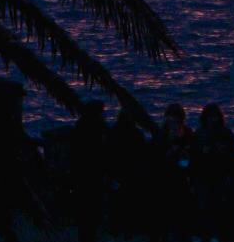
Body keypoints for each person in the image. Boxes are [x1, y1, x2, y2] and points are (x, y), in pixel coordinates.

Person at [190, 103, 234, 242]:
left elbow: (231, 155)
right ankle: (203, 233)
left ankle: (213, 234)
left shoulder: (224, 133)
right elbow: (194, 155)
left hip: (219, 173)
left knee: (216, 205)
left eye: (215, 117)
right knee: (203, 205)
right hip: (203, 174)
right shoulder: (200, 134)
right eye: (210, 117)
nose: (213, 119)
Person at [106, 103, 150, 239]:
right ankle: (128, 232)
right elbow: (142, 155)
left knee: (117, 205)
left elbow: (108, 155)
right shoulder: (137, 134)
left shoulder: (112, 132)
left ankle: (116, 230)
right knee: (130, 205)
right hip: (131, 175)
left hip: (118, 175)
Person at [152, 103, 194, 242]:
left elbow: (192, 153)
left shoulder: (187, 133)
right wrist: (170, 152)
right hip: (165, 179)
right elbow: (156, 156)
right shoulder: (161, 134)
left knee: (180, 217)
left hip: (181, 179)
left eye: (177, 118)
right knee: (164, 216)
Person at [72, 99, 109, 242]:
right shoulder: (97, 128)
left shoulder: (80, 127)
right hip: (92, 174)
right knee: (92, 207)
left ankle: (86, 235)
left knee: (85, 209)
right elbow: (101, 152)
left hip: (83, 174)